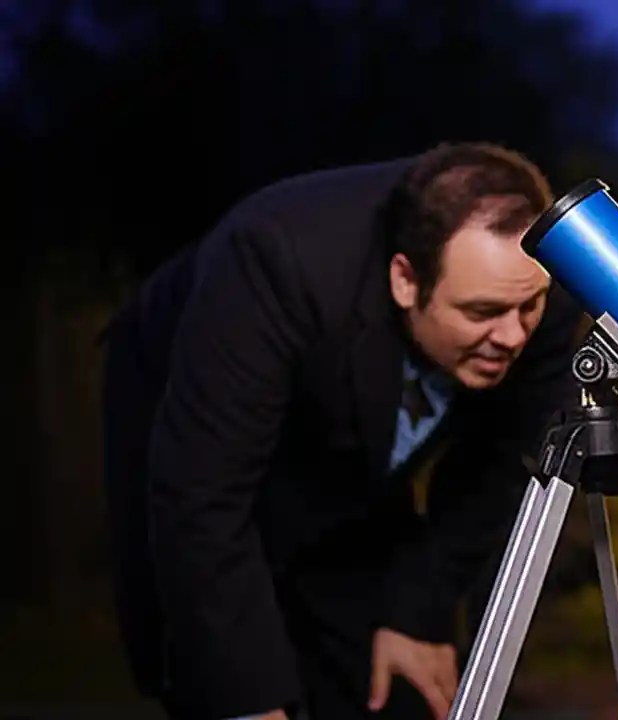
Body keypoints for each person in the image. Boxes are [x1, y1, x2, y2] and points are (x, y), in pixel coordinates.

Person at [99, 142, 582, 720]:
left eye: (527, 307)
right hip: (192, 407)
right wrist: (246, 701)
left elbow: (502, 467)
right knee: (223, 669)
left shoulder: (544, 285)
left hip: (356, 454)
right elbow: (202, 500)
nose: (512, 335)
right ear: (405, 280)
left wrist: (415, 612)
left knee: (380, 677)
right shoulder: (278, 257)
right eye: (481, 313)